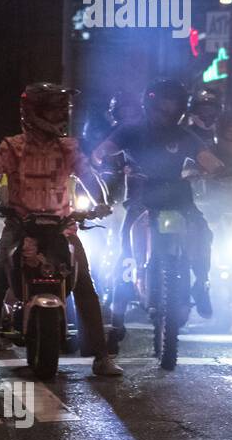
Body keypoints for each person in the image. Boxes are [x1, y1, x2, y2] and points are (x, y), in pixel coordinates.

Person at [0, 84, 123, 379]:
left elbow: (89, 177)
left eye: (63, 109)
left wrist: (101, 203)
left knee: (85, 286)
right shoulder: (13, 146)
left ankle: (101, 357)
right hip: (19, 229)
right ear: (33, 113)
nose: (61, 115)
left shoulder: (69, 147)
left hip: (62, 228)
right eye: (54, 109)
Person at [92, 79, 224, 322]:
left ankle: (201, 283)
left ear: (180, 108)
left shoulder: (186, 135)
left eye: (172, 105)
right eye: (162, 105)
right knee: (127, 252)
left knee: (203, 234)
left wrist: (218, 169)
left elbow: (207, 158)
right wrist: (105, 161)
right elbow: (102, 151)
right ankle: (117, 315)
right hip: (141, 201)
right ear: (149, 105)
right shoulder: (130, 131)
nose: (166, 111)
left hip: (179, 201)